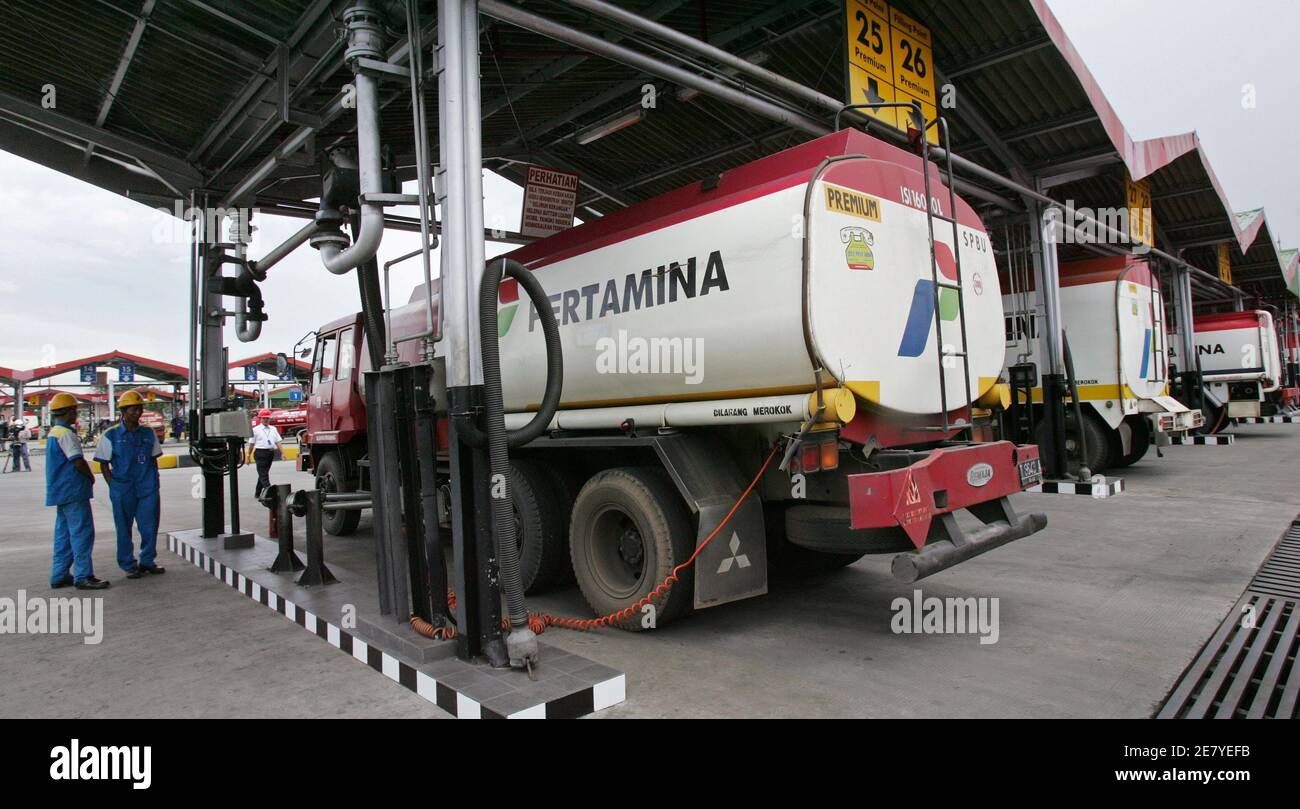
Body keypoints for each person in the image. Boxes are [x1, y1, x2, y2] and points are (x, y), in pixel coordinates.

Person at [94, 390, 165, 579]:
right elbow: (103, 464)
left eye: (139, 408)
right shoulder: (110, 435)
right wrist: (113, 486)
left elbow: (153, 459)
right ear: (123, 411)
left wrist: (155, 481)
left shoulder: (148, 433)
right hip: (123, 489)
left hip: (147, 487)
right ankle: (128, 564)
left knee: (149, 526)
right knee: (124, 528)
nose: (138, 412)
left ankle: (147, 561)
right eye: (133, 409)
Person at [45, 394, 106, 590]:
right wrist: (91, 476)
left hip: (61, 492)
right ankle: (83, 575)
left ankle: (59, 574)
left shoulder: (53, 433)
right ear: (69, 411)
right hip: (73, 491)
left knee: (63, 534)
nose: (76, 414)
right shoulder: (66, 434)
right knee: (82, 534)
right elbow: (77, 461)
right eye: (75, 410)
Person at [247, 408, 283, 500]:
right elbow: (251, 444)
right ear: (260, 419)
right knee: (264, 474)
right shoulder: (255, 430)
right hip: (260, 453)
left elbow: (278, 442)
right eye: (264, 418)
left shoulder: (273, 429)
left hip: (270, 453)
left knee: (263, 473)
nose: (266, 420)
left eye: (267, 418)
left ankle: (257, 492)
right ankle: (269, 490)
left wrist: (283, 453)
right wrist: (248, 455)